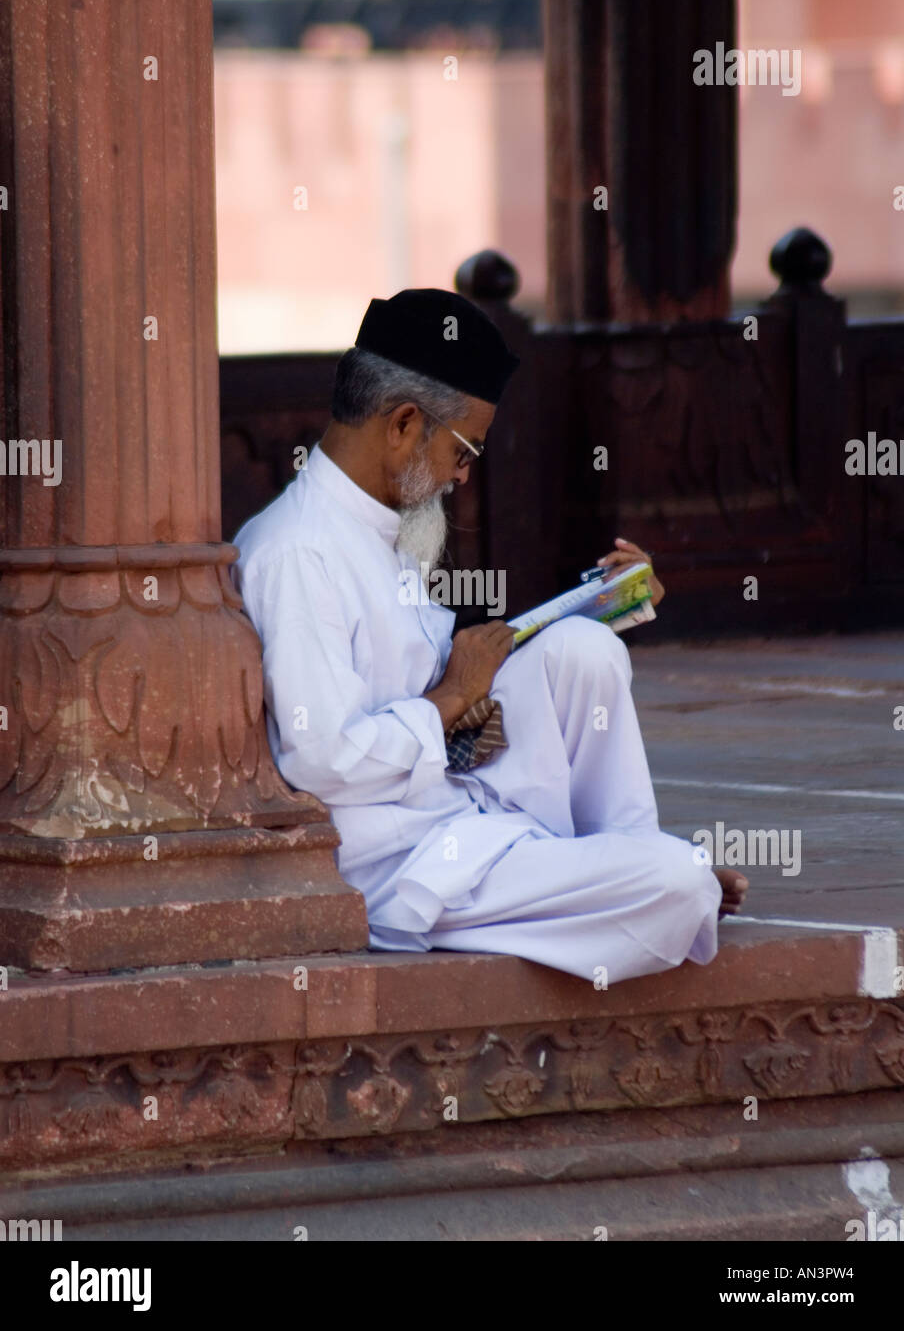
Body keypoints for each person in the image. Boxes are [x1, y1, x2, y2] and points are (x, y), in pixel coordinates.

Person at [231, 288, 748, 984]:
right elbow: (321, 756)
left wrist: (605, 605)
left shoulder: (372, 528)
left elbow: (430, 683)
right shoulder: (297, 550)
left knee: (582, 652)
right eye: (465, 448)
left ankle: (620, 861)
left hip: (456, 801)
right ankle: (635, 879)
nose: (463, 475)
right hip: (401, 859)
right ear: (404, 424)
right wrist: (448, 704)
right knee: (679, 882)